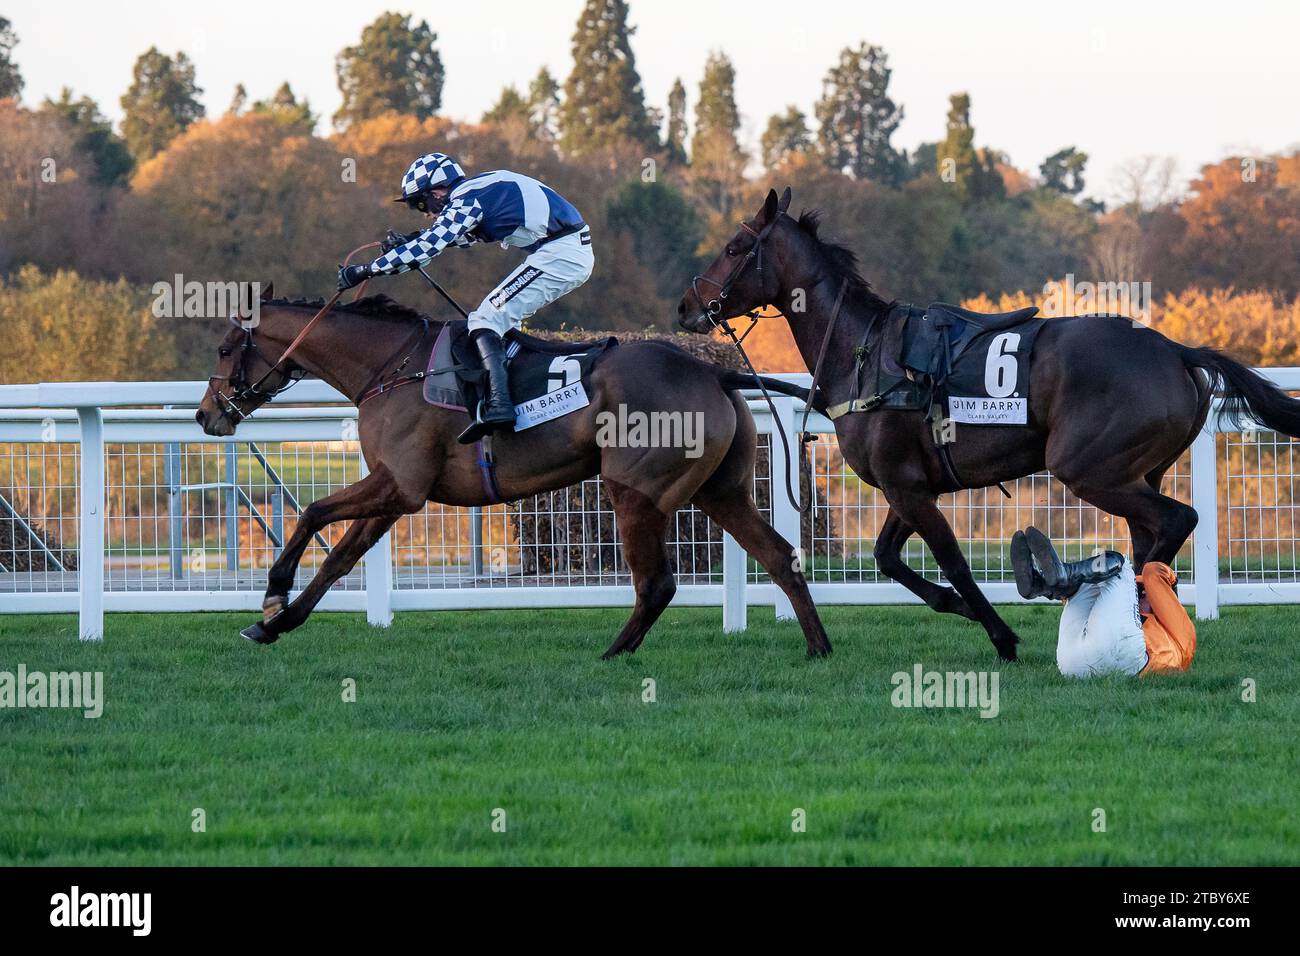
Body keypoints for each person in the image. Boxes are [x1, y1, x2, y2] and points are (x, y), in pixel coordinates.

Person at [337, 152, 593, 442]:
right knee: (502, 324)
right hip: (560, 251)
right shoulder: (475, 192)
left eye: (422, 204)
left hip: (562, 254)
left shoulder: (467, 198)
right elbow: (455, 236)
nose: (426, 213)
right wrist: (412, 241)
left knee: (486, 318)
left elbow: (431, 246)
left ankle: (501, 406)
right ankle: (519, 396)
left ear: (437, 191)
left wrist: (366, 270)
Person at [1010, 526, 1197, 678]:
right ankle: (1042, 587)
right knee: (1094, 579)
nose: (1140, 594)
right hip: (1072, 666)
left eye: (1144, 594)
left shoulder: (1180, 641)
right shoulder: (1126, 618)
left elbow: (1153, 571)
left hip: (1132, 659)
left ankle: (1062, 574)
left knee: (1119, 562)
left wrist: (1165, 583)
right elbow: (1083, 603)